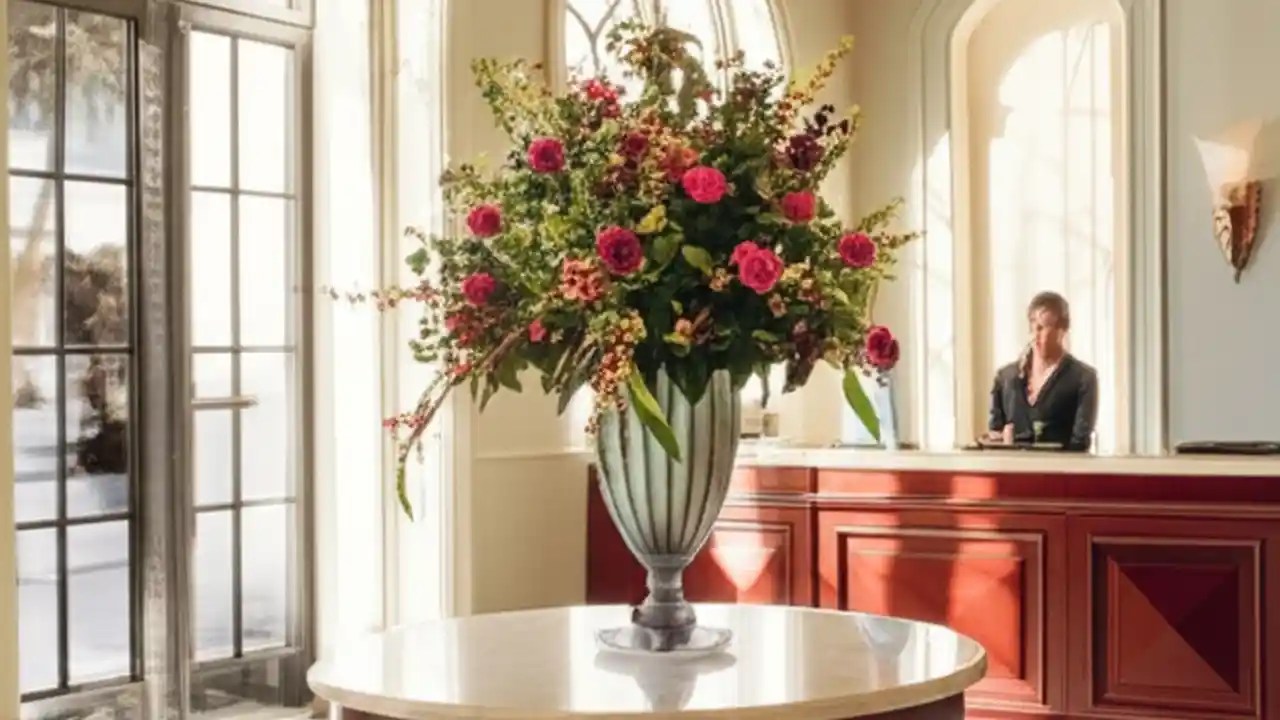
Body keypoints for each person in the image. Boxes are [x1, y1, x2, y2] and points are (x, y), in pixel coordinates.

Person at [986, 291, 1098, 451]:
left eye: (1043, 327)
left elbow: (1079, 443)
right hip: (1013, 472)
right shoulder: (1005, 378)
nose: (1036, 335)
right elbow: (994, 437)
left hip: (1059, 472)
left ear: (1062, 330)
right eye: (1033, 326)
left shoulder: (1083, 379)